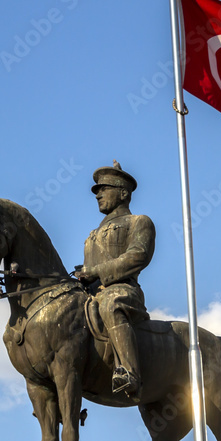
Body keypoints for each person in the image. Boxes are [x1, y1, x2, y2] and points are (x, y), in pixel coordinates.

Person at [73, 161, 155, 401]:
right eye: (97, 190)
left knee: (110, 305)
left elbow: (138, 255)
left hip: (122, 291)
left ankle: (129, 372)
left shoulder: (139, 221)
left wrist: (97, 271)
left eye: (104, 188)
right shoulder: (93, 233)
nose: (98, 194)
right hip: (91, 295)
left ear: (123, 193)